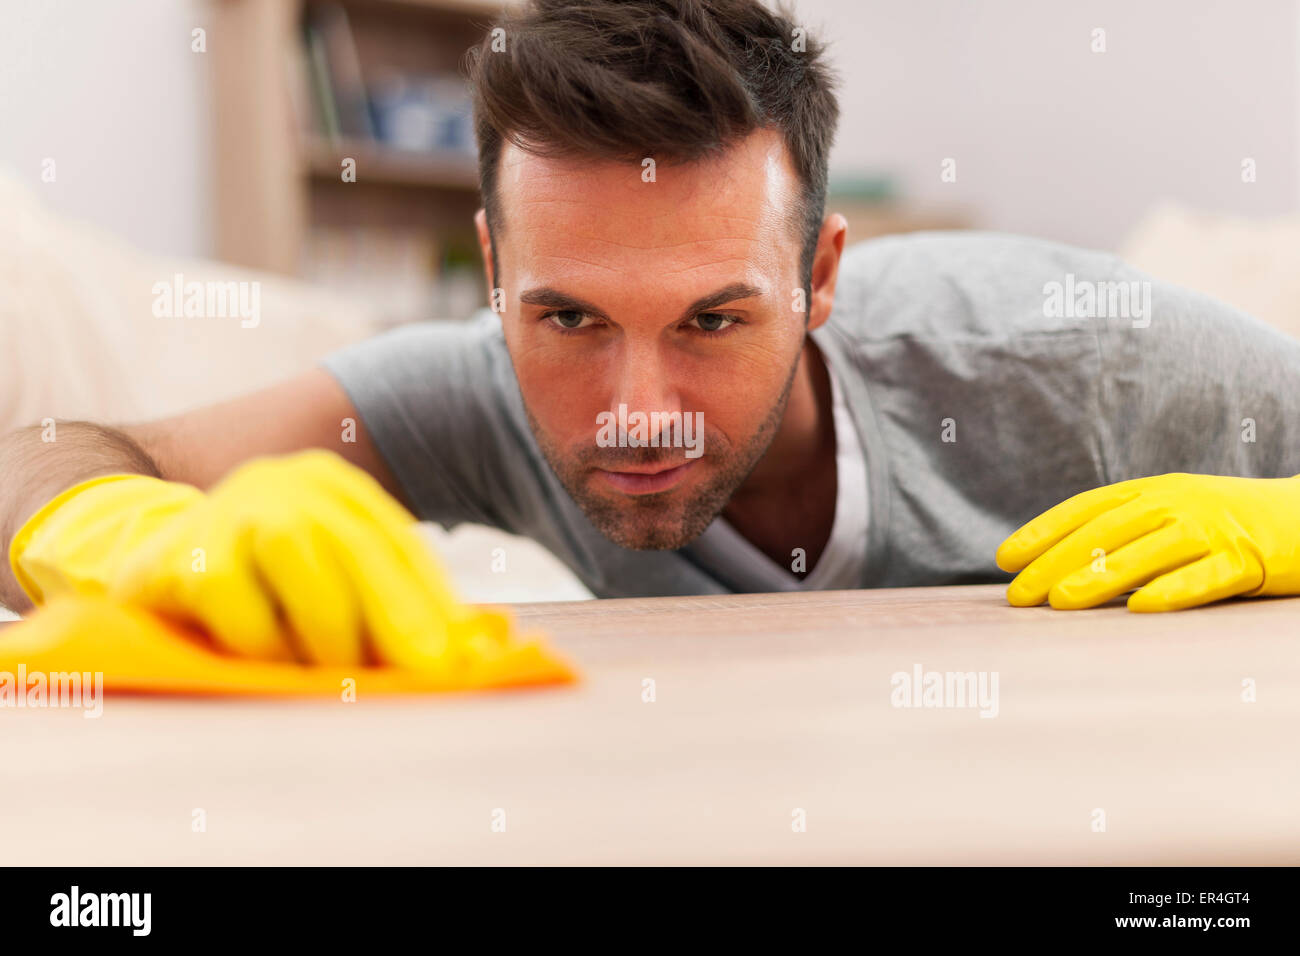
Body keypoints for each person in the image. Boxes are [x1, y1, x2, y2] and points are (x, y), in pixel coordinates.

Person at [4, 0, 1300, 664]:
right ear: (494, 269)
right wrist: (128, 537)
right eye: (565, 315)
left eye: (713, 319)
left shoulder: (1081, 356)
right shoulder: (469, 396)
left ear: (822, 273)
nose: (635, 408)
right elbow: (55, 454)